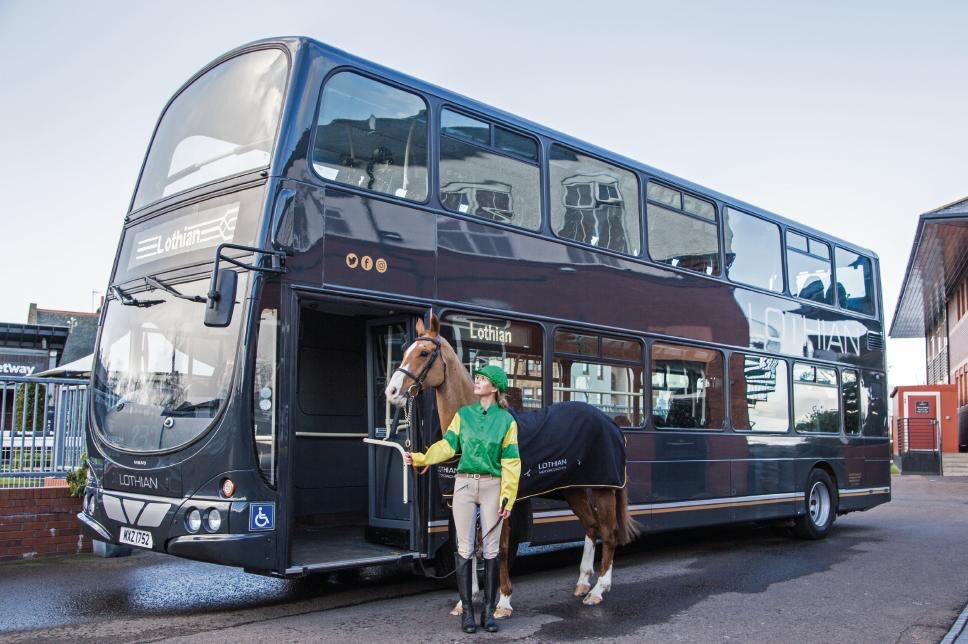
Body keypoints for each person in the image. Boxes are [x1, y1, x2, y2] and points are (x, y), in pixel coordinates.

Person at [405, 365, 520, 634]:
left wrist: (508, 496)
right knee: (465, 548)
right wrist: (422, 458)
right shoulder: (463, 415)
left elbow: (512, 461)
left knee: (491, 549)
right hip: (465, 484)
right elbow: (448, 446)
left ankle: (488, 613)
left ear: (494, 388)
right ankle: (468, 613)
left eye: (481, 379)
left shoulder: (507, 421)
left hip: (494, 486)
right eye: (476, 378)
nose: (476, 382)